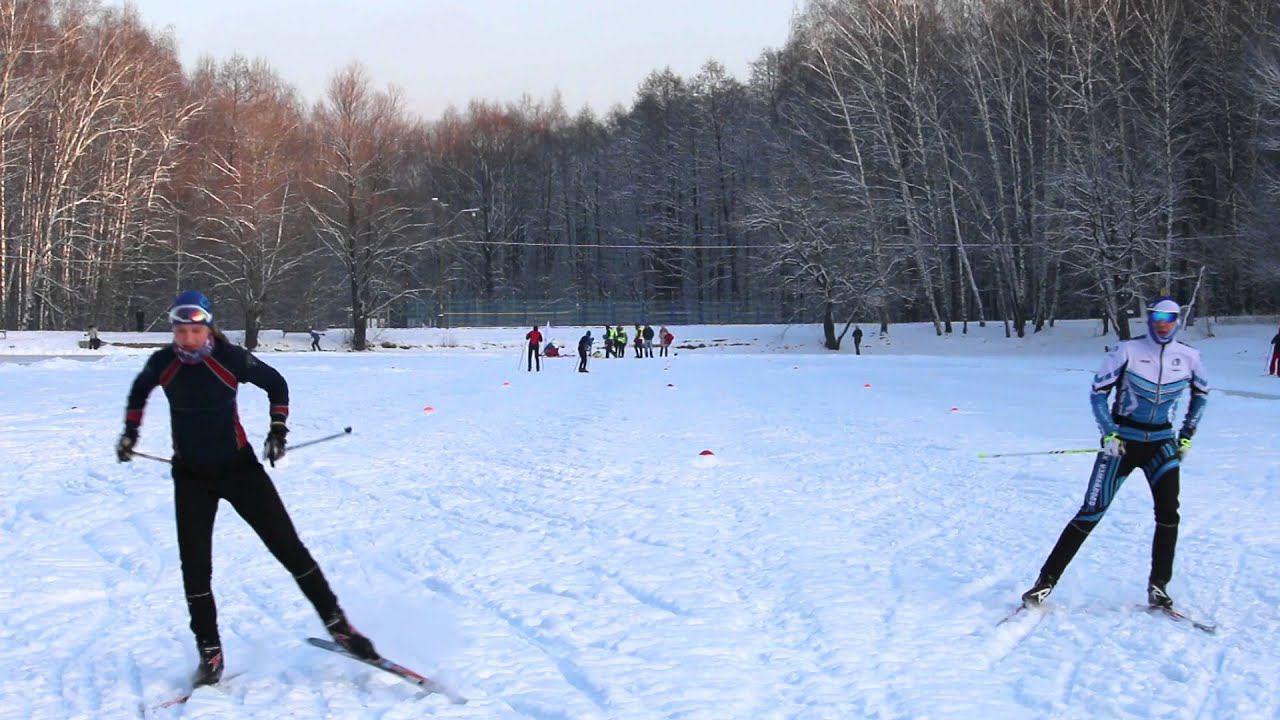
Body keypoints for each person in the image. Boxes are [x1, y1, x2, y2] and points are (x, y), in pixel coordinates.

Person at [116, 291, 378, 688]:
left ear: (208, 328)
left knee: (289, 549)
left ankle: (341, 629)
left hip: (240, 471)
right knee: (196, 569)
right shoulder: (163, 363)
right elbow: (138, 393)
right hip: (190, 478)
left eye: (195, 330)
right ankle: (210, 653)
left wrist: (277, 430)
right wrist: (130, 433)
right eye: (181, 331)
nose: (187, 338)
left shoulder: (230, 358)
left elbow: (277, 384)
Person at [1021, 297, 1208, 611]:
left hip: (1162, 443)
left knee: (1168, 514)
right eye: (1157, 316)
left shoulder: (1189, 356)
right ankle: (1045, 583)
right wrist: (1108, 432)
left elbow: (1201, 397)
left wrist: (1186, 437)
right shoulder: (1128, 351)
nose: (1163, 322)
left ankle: (1159, 586)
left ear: (1177, 321)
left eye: (1170, 318)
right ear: (1149, 319)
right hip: (1122, 442)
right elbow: (1098, 395)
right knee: (1091, 511)